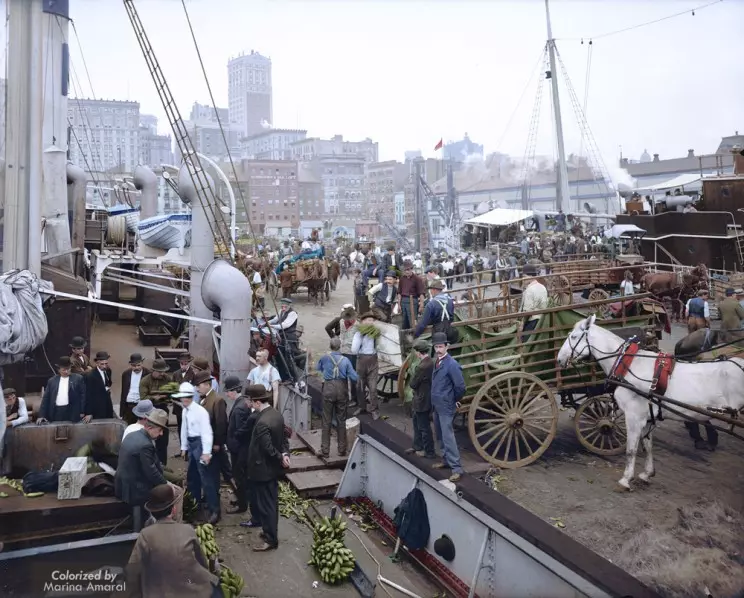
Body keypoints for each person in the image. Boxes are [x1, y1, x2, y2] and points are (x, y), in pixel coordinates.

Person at [123, 484, 219, 598]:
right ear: (173, 510)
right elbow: (202, 563)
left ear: (152, 513)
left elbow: (133, 571)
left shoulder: (146, 535)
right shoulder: (188, 530)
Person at [246, 388, 290, 551]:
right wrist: (285, 454)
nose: (251, 404)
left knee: (266, 505)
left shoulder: (262, 422)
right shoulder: (276, 415)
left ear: (258, 402)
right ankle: (268, 533)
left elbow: (268, 448)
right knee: (270, 502)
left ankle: (270, 539)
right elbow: (284, 438)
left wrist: (279, 457)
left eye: (252, 401)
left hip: (262, 471)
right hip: (271, 470)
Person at [115, 409, 169, 531]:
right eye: (160, 430)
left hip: (121, 483)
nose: (161, 434)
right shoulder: (145, 445)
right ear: (150, 428)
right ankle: (142, 531)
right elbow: (151, 472)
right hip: (134, 490)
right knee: (162, 494)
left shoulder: (132, 434)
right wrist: (166, 485)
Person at [175, 382, 219, 525]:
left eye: (188, 397)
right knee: (192, 478)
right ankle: (195, 507)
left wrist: (206, 452)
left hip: (201, 445)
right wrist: (184, 447)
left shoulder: (201, 412)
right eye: (183, 397)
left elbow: (207, 432)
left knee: (206, 479)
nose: (185, 399)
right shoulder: (184, 411)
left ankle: (214, 510)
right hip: (192, 444)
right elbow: (184, 429)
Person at [430, 332, 466, 483]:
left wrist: (454, 399)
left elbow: (460, 387)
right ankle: (445, 460)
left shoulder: (452, 364)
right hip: (436, 404)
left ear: (447, 347)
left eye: (440, 347)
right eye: (436, 347)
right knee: (439, 434)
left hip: (446, 405)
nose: (438, 350)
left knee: (448, 435)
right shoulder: (437, 362)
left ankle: (456, 468)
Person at [194, 368, 230, 518]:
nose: (197, 388)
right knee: (208, 477)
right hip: (204, 444)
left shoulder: (217, 400)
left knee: (211, 477)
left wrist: (217, 443)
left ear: (207, 385)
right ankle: (210, 502)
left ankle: (215, 511)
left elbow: (221, 424)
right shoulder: (204, 400)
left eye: (198, 385)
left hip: (212, 447)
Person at [316, 337, 358, 458]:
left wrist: (327, 373)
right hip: (342, 390)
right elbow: (354, 378)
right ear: (340, 347)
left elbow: (318, 369)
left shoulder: (324, 358)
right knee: (341, 420)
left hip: (328, 388)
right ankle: (342, 449)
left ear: (330, 346)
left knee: (326, 420)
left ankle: (325, 450)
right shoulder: (345, 360)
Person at [226, 381, 258, 516]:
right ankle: (241, 499)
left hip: (238, 450)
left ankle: (242, 504)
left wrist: (234, 446)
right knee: (241, 476)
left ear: (234, 391)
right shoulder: (242, 403)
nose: (227, 394)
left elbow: (240, 431)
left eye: (228, 391)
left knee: (239, 477)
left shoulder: (239, 408)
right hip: (241, 449)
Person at [139, 358, 173, 466]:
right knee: (147, 439)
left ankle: (162, 464)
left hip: (163, 411)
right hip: (150, 412)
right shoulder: (145, 381)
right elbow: (143, 398)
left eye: (163, 371)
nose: (162, 374)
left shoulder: (167, 378)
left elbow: (172, 392)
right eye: (159, 372)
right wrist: (156, 397)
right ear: (153, 370)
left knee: (163, 441)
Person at [406, 340, 436, 459]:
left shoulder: (421, 366)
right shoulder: (432, 362)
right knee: (416, 421)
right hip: (427, 396)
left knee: (423, 427)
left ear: (418, 353)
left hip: (421, 399)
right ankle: (417, 446)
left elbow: (413, 384)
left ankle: (429, 452)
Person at [37, 357, 87, 423]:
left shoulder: (78, 379)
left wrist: (82, 411)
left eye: (68, 369)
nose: (66, 372)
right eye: (64, 370)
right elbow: (46, 398)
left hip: (72, 411)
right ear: (59, 370)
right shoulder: (52, 381)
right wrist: (41, 415)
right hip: (56, 411)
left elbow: (83, 396)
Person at [351, 311, 381, 420]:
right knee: (360, 386)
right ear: (363, 321)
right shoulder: (359, 333)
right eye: (369, 320)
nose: (371, 322)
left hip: (373, 361)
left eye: (373, 320)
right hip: (361, 361)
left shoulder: (377, 333)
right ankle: (361, 407)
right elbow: (354, 350)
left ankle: (374, 409)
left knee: (373, 388)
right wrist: (360, 338)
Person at [414, 279, 458, 345]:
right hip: (450, 333)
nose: (430, 292)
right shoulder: (450, 301)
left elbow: (423, 323)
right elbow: (451, 317)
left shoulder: (431, 304)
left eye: (430, 290)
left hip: (438, 335)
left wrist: (415, 334)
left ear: (434, 290)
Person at [324, 305, 359, 370]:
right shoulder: (340, 320)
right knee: (342, 369)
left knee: (352, 369)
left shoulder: (358, 324)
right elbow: (327, 328)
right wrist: (335, 338)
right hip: (341, 349)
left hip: (352, 351)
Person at [519, 264, 548, 340]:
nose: (523, 279)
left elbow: (528, 311)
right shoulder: (542, 287)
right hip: (543, 320)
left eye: (524, 276)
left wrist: (522, 323)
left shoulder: (529, 290)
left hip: (532, 321)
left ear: (531, 276)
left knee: (525, 341)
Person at [84, 351, 114, 420]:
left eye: (106, 363)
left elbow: (109, 382)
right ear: (97, 363)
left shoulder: (108, 370)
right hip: (97, 406)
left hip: (107, 402)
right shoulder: (90, 376)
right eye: (102, 364)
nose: (104, 366)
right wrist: (88, 412)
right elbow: (88, 394)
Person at [120, 353, 149, 425]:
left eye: (138, 365)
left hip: (141, 405)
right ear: (130, 365)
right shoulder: (126, 374)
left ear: (142, 363)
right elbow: (123, 392)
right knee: (128, 426)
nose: (136, 367)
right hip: (129, 406)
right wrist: (122, 410)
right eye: (134, 365)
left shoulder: (148, 373)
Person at [398, 261, 426, 330]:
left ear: (411, 269)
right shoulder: (402, 279)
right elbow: (399, 292)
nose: (406, 272)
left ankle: (414, 336)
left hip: (413, 301)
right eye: (405, 270)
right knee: (404, 321)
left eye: (408, 270)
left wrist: (421, 305)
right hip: (403, 301)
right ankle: (406, 338)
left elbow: (421, 293)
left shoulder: (417, 279)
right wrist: (399, 304)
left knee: (412, 321)